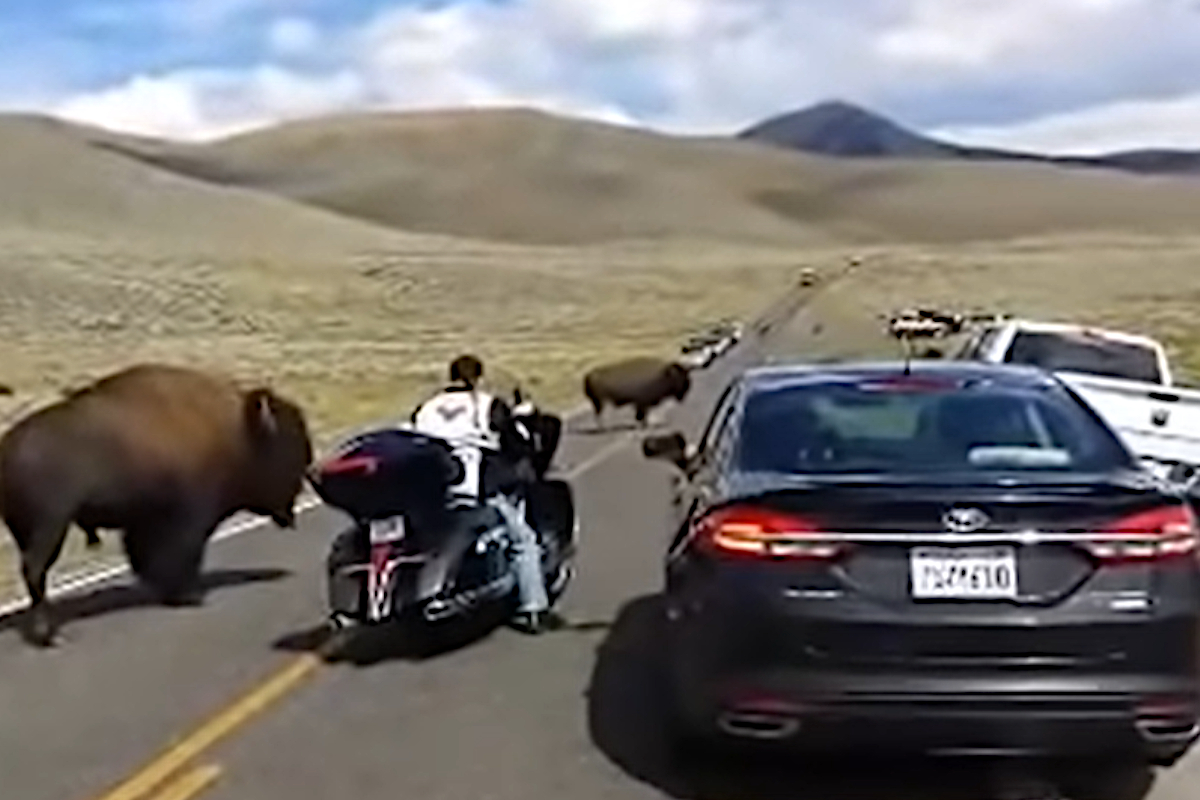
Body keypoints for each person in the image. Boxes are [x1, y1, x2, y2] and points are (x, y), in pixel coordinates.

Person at [410, 355, 558, 634]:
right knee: (523, 540)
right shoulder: (487, 404)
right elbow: (514, 442)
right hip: (476, 486)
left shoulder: (426, 407)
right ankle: (533, 608)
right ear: (478, 377)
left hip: (432, 489)